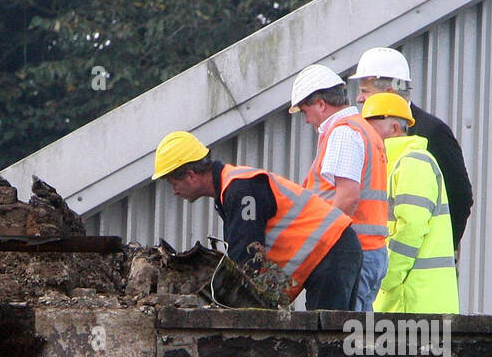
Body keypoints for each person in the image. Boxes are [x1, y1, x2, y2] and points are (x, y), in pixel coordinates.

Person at [152, 131, 361, 310]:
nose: (174, 191)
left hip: (332, 251)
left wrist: (227, 304)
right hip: (334, 249)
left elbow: (246, 256)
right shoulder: (233, 187)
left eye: (174, 182)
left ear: (190, 175)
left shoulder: (240, 189)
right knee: (335, 336)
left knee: (329, 337)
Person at [289, 63, 389, 312]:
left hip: (353, 252)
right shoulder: (362, 129)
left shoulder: (343, 133)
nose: (306, 119)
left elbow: (347, 199)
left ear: (321, 104)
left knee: (345, 338)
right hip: (367, 249)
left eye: (305, 111)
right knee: (358, 335)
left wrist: (320, 245)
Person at [353, 47, 472, 252]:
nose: (359, 98)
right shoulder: (367, 131)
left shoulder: (433, 132)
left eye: (365, 91)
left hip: (422, 263)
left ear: (388, 93)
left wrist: (440, 250)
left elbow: (459, 197)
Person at [360, 93, 459, 314]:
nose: (364, 134)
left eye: (370, 126)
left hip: (415, 301)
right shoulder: (392, 166)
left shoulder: (414, 162)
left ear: (394, 127)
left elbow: (411, 227)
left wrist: (385, 279)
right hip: (406, 299)